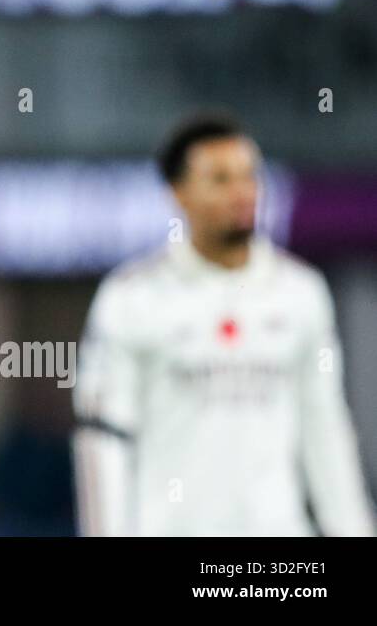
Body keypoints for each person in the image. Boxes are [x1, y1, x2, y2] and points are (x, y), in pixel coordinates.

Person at [73, 111, 375, 536]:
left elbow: (325, 430)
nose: (241, 192)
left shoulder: (301, 293)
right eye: (219, 179)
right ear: (178, 194)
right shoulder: (131, 298)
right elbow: (103, 439)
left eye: (249, 176)